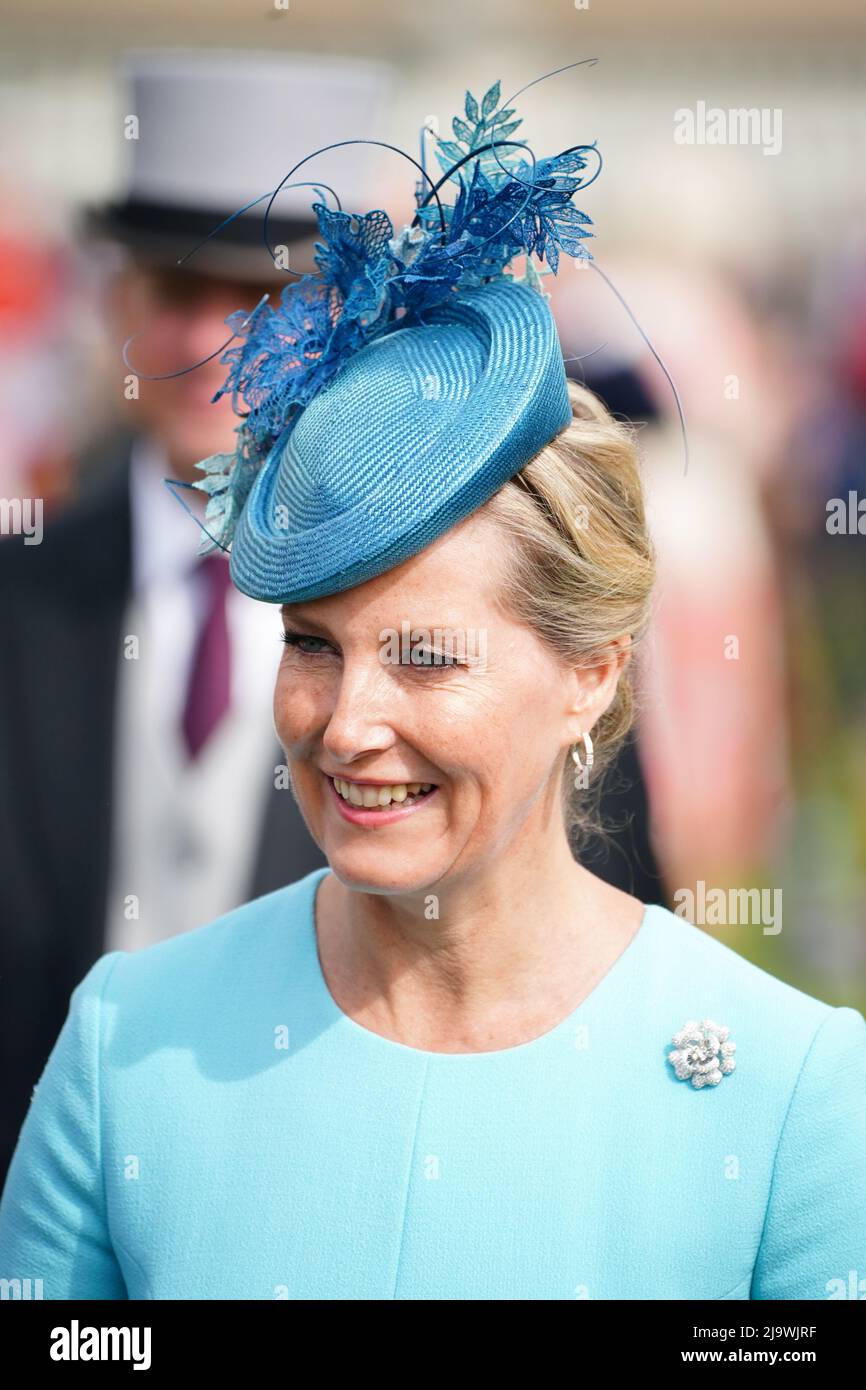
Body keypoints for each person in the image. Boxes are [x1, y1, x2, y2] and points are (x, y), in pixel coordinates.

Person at [4, 72, 861, 1302]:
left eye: (424, 654)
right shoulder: (122, 1047)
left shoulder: (783, 1098)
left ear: (592, 672)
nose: (344, 723)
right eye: (310, 643)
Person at [0, 50, 391, 1188]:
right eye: (179, 292)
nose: (211, 341)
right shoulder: (18, 597)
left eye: (263, 298)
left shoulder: (453, 616)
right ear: (122, 297)